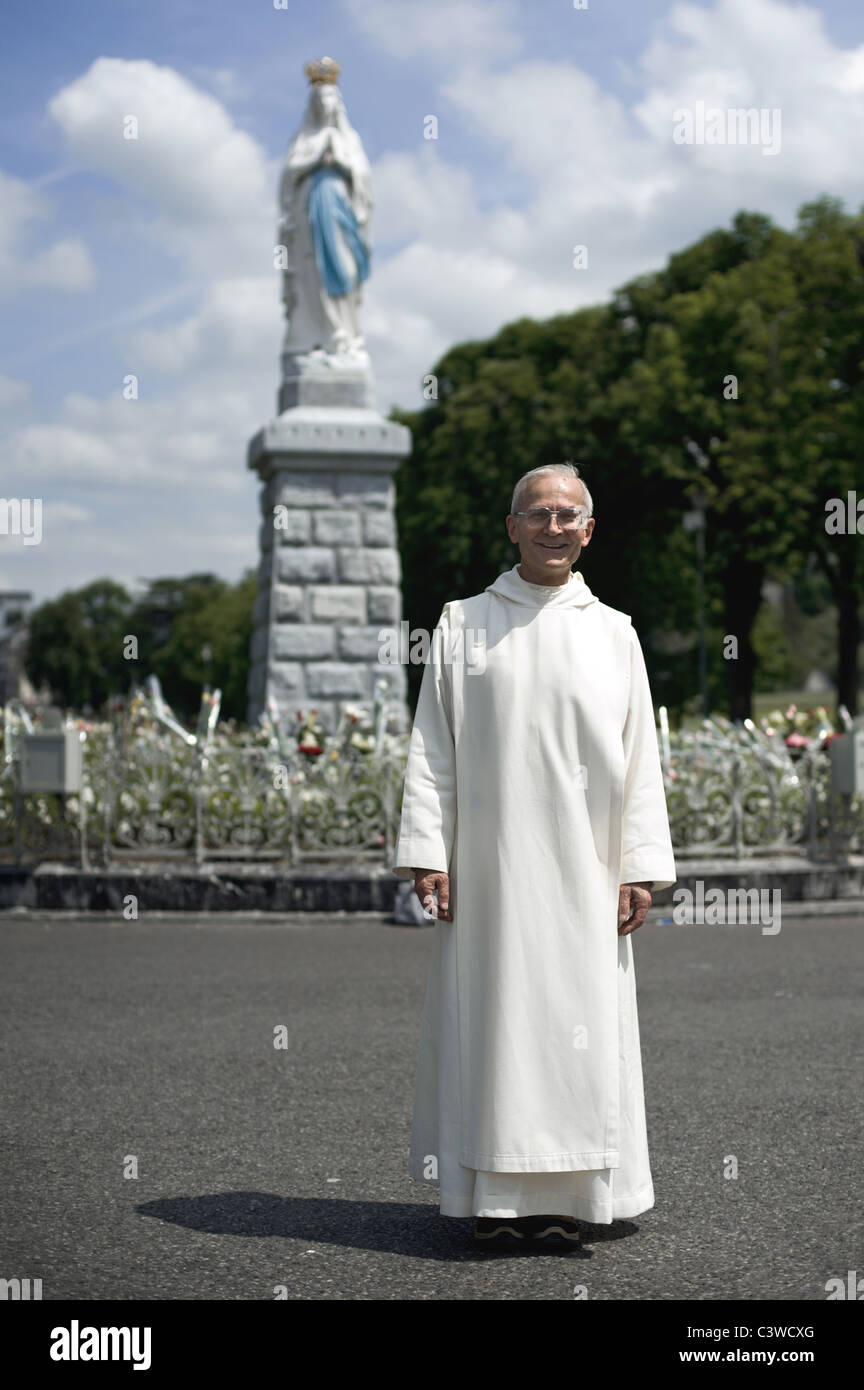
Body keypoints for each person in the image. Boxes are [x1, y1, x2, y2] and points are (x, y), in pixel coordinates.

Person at [392, 462, 677, 1247]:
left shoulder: (614, 631)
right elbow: (432, 750)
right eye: (537, 513)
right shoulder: (461, 622)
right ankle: (492, 1198)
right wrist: (428, 854)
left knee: (577, 1029)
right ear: (512, 526)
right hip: (492, 872)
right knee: (494, 1027)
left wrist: (638, 867)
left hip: (586, 874)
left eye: (568, 515)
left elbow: (640, 754)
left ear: (589, 531)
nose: (553, 527)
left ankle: (573, 1199)